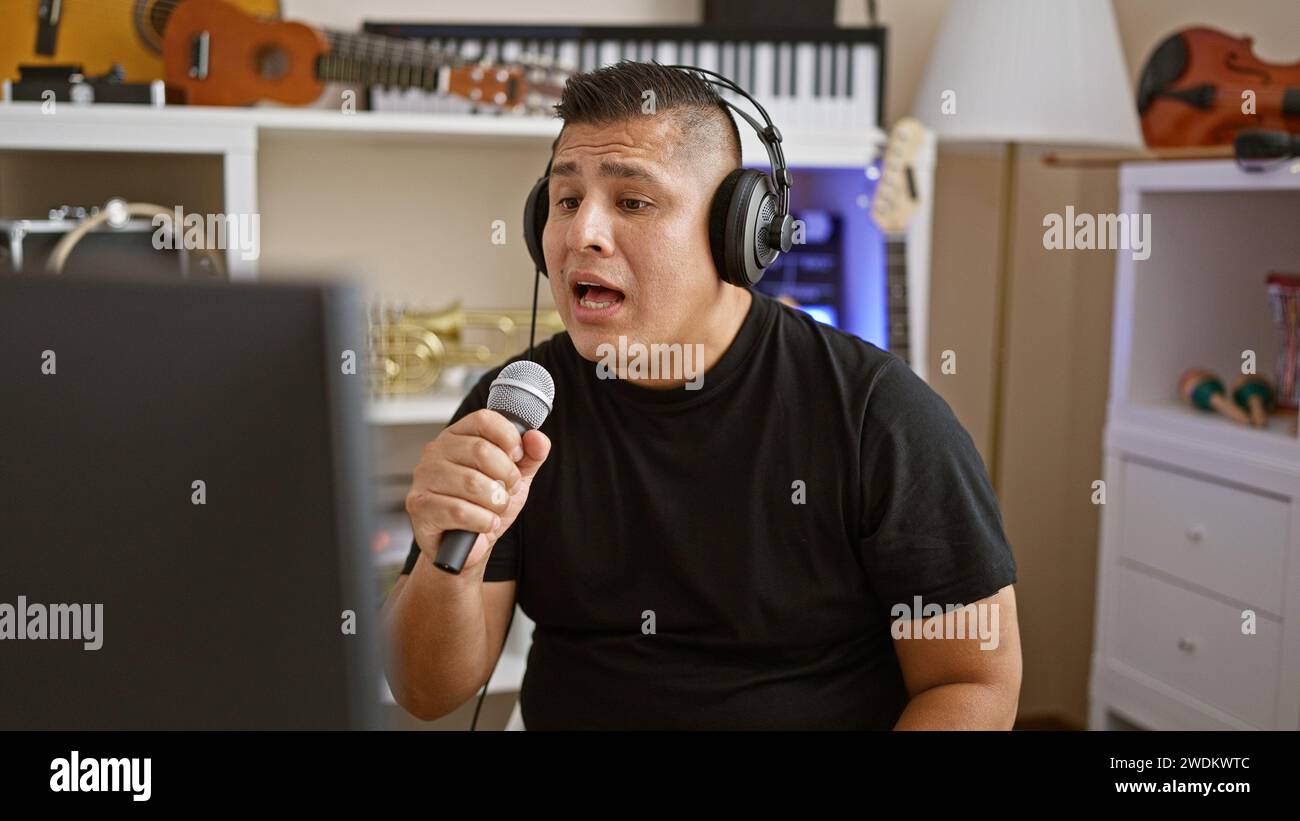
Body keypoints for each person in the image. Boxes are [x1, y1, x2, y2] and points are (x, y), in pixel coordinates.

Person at [383, 61, 1020, 730]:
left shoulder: (878, 414)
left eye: (632, 201)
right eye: (566, 200)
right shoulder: (514, 409)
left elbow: (973, 679)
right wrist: (447, 565)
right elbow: (426, 691)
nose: (580, 234)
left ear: (738, 233)